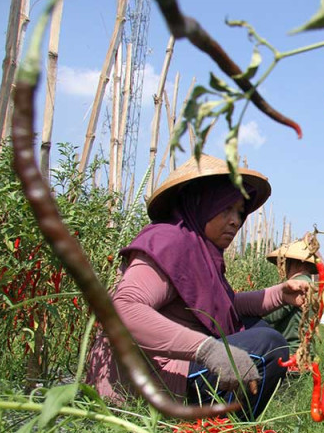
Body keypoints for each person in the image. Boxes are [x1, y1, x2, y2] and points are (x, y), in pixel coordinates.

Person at [86, 154, 308, 419]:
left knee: (255, 327)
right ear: (201, 203)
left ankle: (219, 429)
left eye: (239, 212)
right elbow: (123, 310)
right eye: (226, 208)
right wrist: (208, 350)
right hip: (147, 380)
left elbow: (224, 306)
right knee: (269, 345)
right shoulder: (169, 241)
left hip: (174, 368)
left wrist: (280, 294)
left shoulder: (201, 251)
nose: (236, 221)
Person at [262, 238, 321, 351]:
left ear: (295, 263)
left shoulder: (297, 286)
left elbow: (268, 316)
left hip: (290, 352)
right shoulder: (311, 285)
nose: (283, 266)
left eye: (286, 262)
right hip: (305, 351)